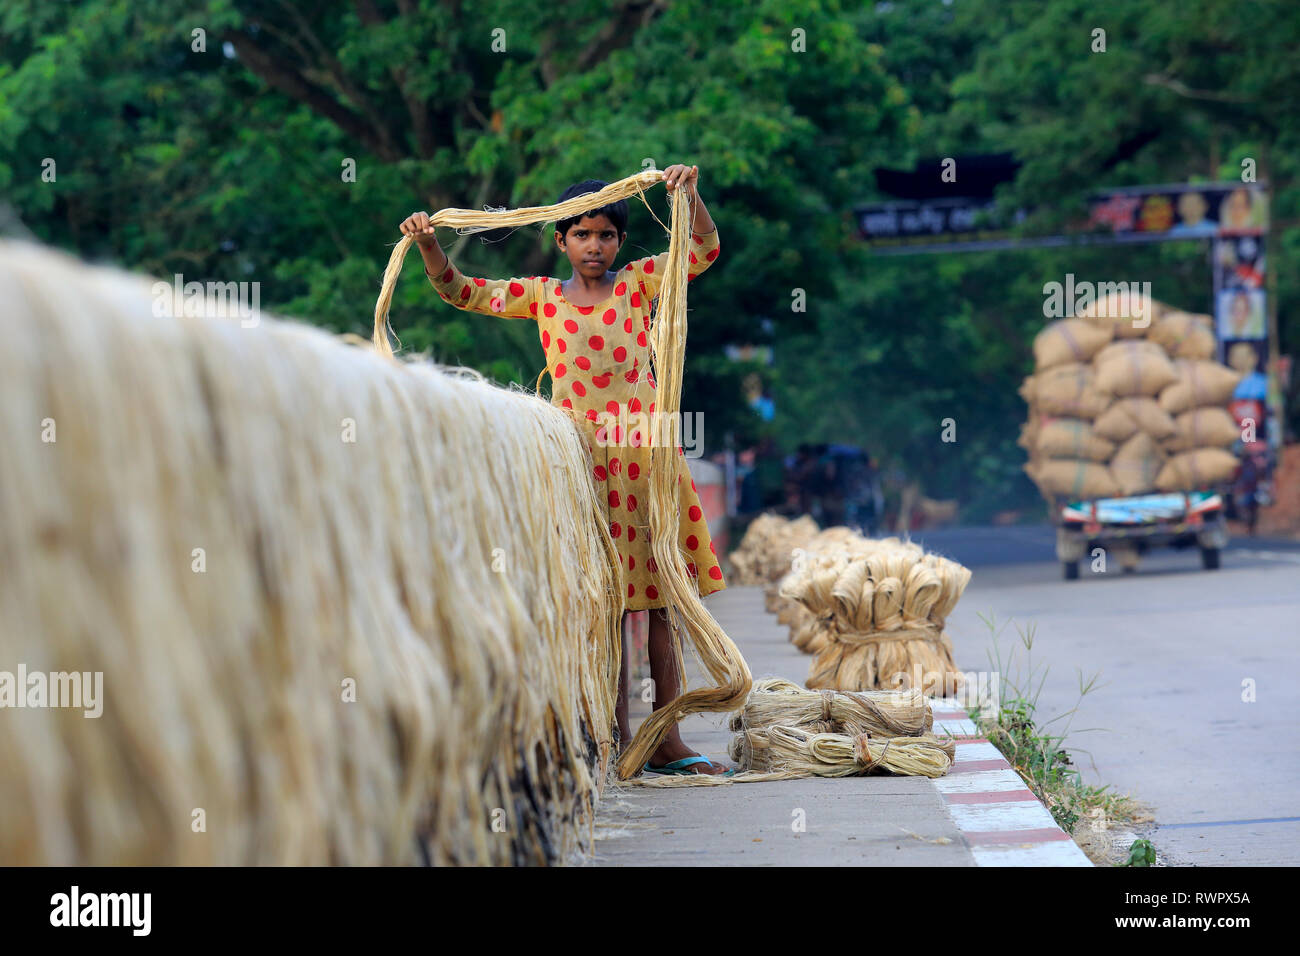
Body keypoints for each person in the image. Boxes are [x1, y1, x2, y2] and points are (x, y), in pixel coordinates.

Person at [400, 164, 733, 775]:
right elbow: (462, 291)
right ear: (562, 241)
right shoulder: (542, 298)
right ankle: (613, 734)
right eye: (582, 235)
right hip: (580, 468)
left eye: (606, 235)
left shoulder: (640, 283)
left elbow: (703, 250)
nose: (595, 246)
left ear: (619, 242)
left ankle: (666, 738)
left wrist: (689, 196)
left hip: (647, 464)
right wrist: (427, 243)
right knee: (601, 605)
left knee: (662, 606)